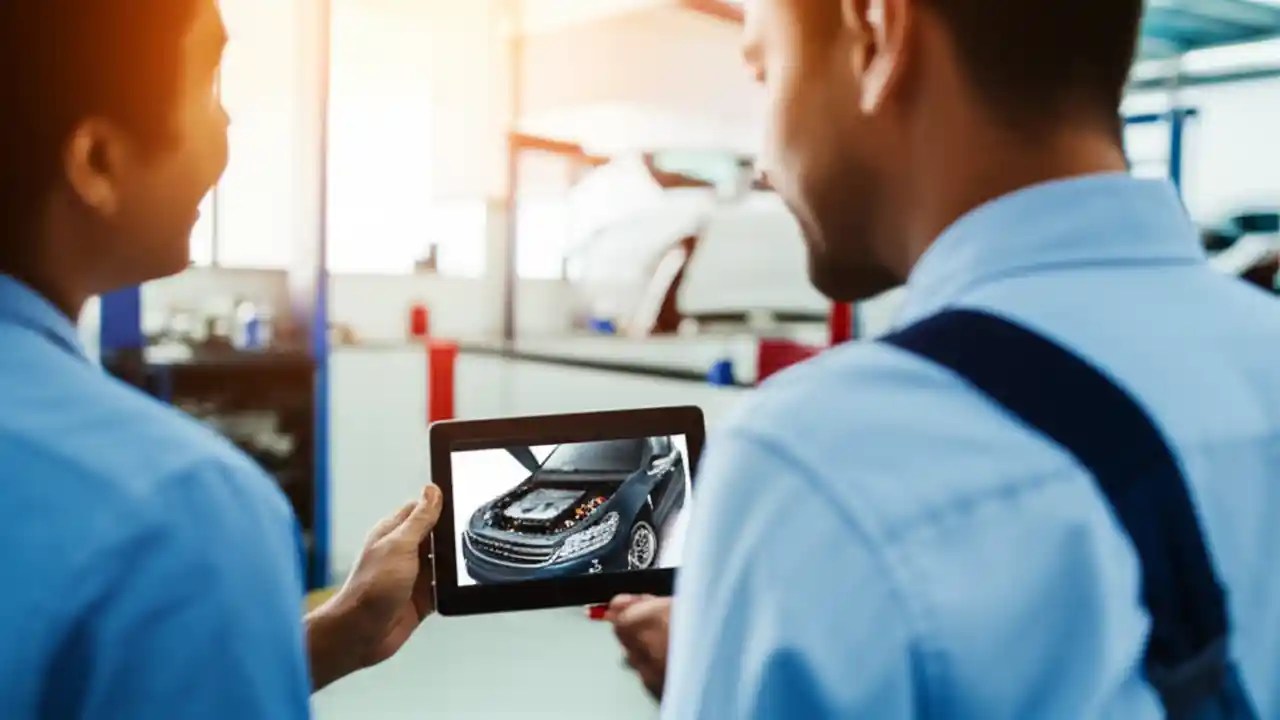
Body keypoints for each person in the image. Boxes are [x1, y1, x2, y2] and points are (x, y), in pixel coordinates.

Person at [609, 0, 1280, 717]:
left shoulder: (812, 460)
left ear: (874, 33)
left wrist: (731, 665)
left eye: (764, 70)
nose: (766, 161)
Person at [0, 1, 442, 717]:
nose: (230, 122)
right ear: (99, 160)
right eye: (209, 84)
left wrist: (333, 636)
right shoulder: (178, 509)